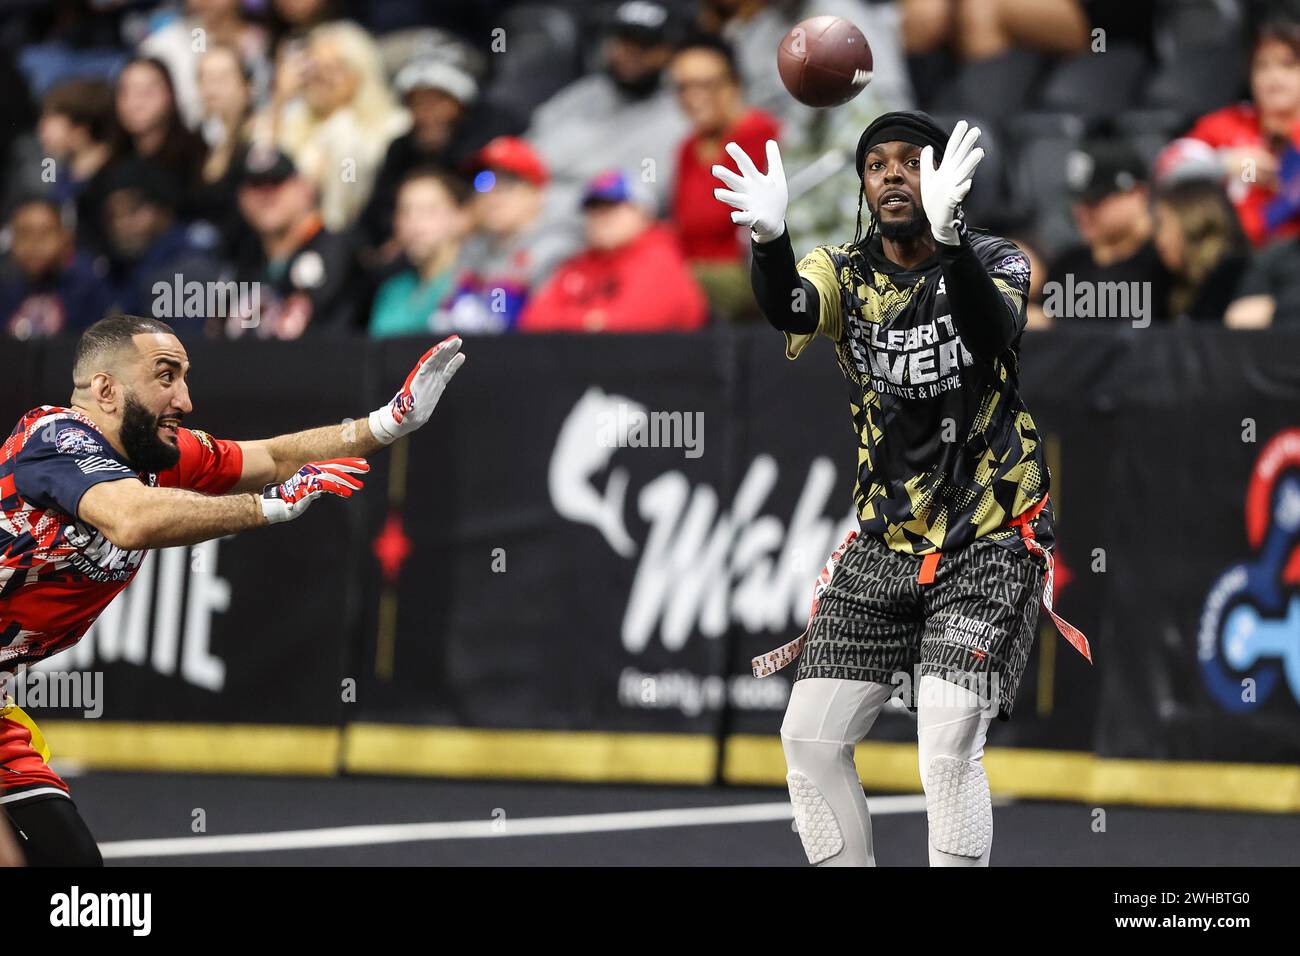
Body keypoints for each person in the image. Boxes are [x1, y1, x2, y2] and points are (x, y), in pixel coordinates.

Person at [713, 111, 1089, 867]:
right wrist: (769, 243)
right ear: (862, 186)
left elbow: (994, 334)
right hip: (885, 544)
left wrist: (951, 246)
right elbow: (790, 305)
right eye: (876, 164)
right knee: (807, 743)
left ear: (946, 177)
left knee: (946, 745)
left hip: (987, 538)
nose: (891, 174)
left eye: (910, 161)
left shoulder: (996, 260)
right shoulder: (841, 271)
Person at [0, 314, 464, 864]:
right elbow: (131, 519)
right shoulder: (54, 438)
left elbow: (270, 456)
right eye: (166, 376)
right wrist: (268, 507)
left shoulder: (155, 461)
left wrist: (386, 424)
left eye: (185, 377)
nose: (186, 400)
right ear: (106, 390)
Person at [527, 1, 689, 228]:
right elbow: (525, 153)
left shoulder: (678, 118)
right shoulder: (584, 93)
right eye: (624, 41)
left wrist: (536, 203)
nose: (630, 53)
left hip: (590, 232)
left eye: (644, 45)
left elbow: (636, 203)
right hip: (524, 217)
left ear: (667, 53)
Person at [669, 33, 779, 321]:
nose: (693, 98)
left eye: (705, 85)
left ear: (734, 85)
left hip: (748, 275)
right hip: (693, 277)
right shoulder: (687, 147)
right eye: (683, 87)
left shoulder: (764, 135)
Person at [520, 171, 708, 333]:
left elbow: (624, 328)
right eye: (594, 209)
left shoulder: (659, 259)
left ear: (642, 212)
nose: (601, 218)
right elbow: (533, 319)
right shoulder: (580, 264)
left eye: (611, 208)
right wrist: (590, 321)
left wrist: (573, 320)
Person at [267, 20, 410, 232]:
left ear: (360, 71)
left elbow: (352, 187)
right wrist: (280, 102)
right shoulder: (296, 119)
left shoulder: (393, 124)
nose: (320, 77)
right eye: (314, 67)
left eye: (333, 68)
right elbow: (263, 166)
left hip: (349, 233)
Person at [442, 137, 579, 333]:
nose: (492, 197)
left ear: (537, 193)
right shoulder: (472, 248)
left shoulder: (559, 249)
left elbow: (544, 331)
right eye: (484, 182)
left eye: (507, 184)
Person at [229, 144, 365, 338]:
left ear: (304, 189)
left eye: (276, 183)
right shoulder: (241, 258)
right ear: (241, 198)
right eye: (255, 185)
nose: (266, 196)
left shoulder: (338, 250)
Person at [1185, 20, 1300, 247]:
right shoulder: (1224, 124)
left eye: (1287, 65)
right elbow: (1165, 174)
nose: (1273, 77)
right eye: (1262, 66)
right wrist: (1223, 164)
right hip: (1230, 254)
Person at [1048, 139, 1171, 324]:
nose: (1080, 211)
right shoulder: (1067, 265)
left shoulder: (1164, 265)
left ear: (1137, 194)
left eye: (1094, 201)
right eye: (1077, 200)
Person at [98, 159, 225, 334]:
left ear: (164, 210)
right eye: (114, 215)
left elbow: (187, 351)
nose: (122, 223)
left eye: (133, 211)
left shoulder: (190, 269)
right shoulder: (113, 268)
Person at [369, 168, 470, 338]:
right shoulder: (391, 291)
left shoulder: (475, 285)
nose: (414, 223)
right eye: (405, 211)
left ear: (459, 217)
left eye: (429, 211)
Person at [0, 197, 110, 339]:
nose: (34, 244)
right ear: (12, 241)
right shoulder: (6, 293)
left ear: (65, 237)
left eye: (45, 233)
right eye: (24, 233)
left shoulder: (87, 289)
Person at [35, 78, 117, 255]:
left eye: (50, 119)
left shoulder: (114, 181)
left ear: (81, 127)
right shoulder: (62, 178)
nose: (41, 129)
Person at [1151, 179, 1250, 321]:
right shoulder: (1167, 285)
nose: (1157, 239)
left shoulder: (1240, 280)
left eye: (1162, 224)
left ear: (1191, 221)